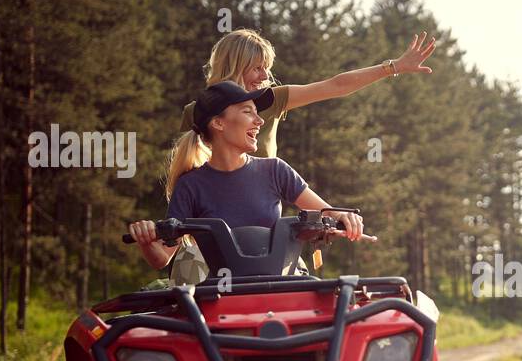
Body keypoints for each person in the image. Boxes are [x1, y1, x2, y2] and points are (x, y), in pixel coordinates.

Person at [129, 81, 363, 277]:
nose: (260, 120)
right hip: (221, 298)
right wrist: (146, 240)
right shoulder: (190, 186)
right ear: (218, 123)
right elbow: (162, 258)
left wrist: (343, 216)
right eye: (247, 111)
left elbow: (327, 213)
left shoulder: (276, 170)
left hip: (277, 289)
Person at [181, 28, 437, 159]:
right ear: (235, 65)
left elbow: (336, 86)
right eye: (257, 68)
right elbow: (184, 172)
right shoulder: (195, 112)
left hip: (262, 220)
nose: (264, 76)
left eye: (266, 69)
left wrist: (392, 67)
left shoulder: (272, 99)